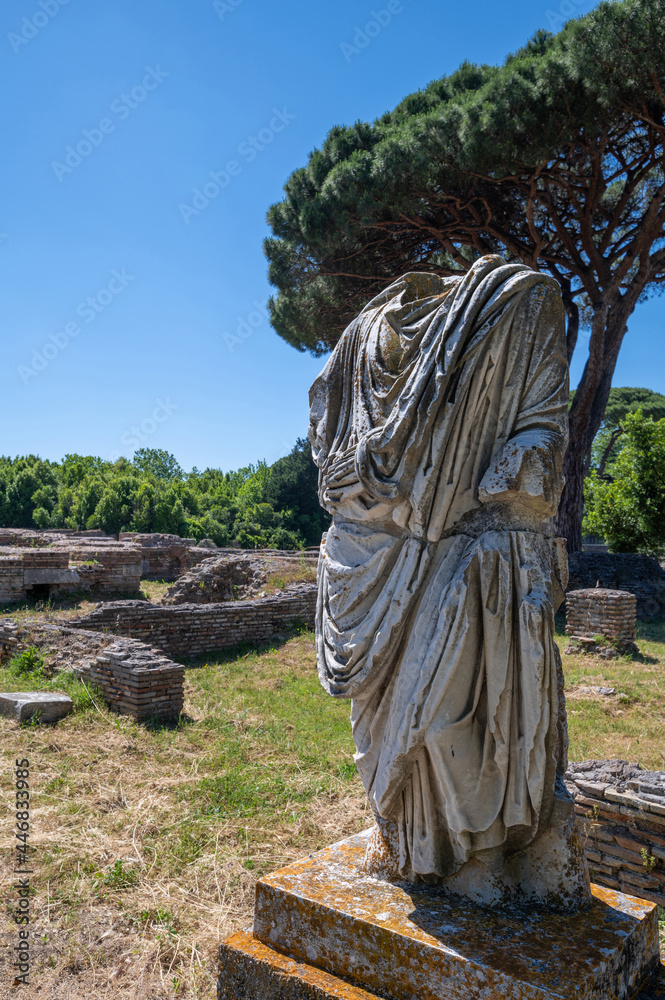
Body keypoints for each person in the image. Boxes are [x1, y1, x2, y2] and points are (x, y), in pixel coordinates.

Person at [309, 254, 590, 908]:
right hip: (371, 557)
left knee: (445, 721)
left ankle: (477, 855)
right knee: (402, 729)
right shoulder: (359, 341)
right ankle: (416, 849)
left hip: (474, 556)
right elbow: (330, 448)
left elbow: (542, 432)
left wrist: (522, 467)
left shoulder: (521, 302)